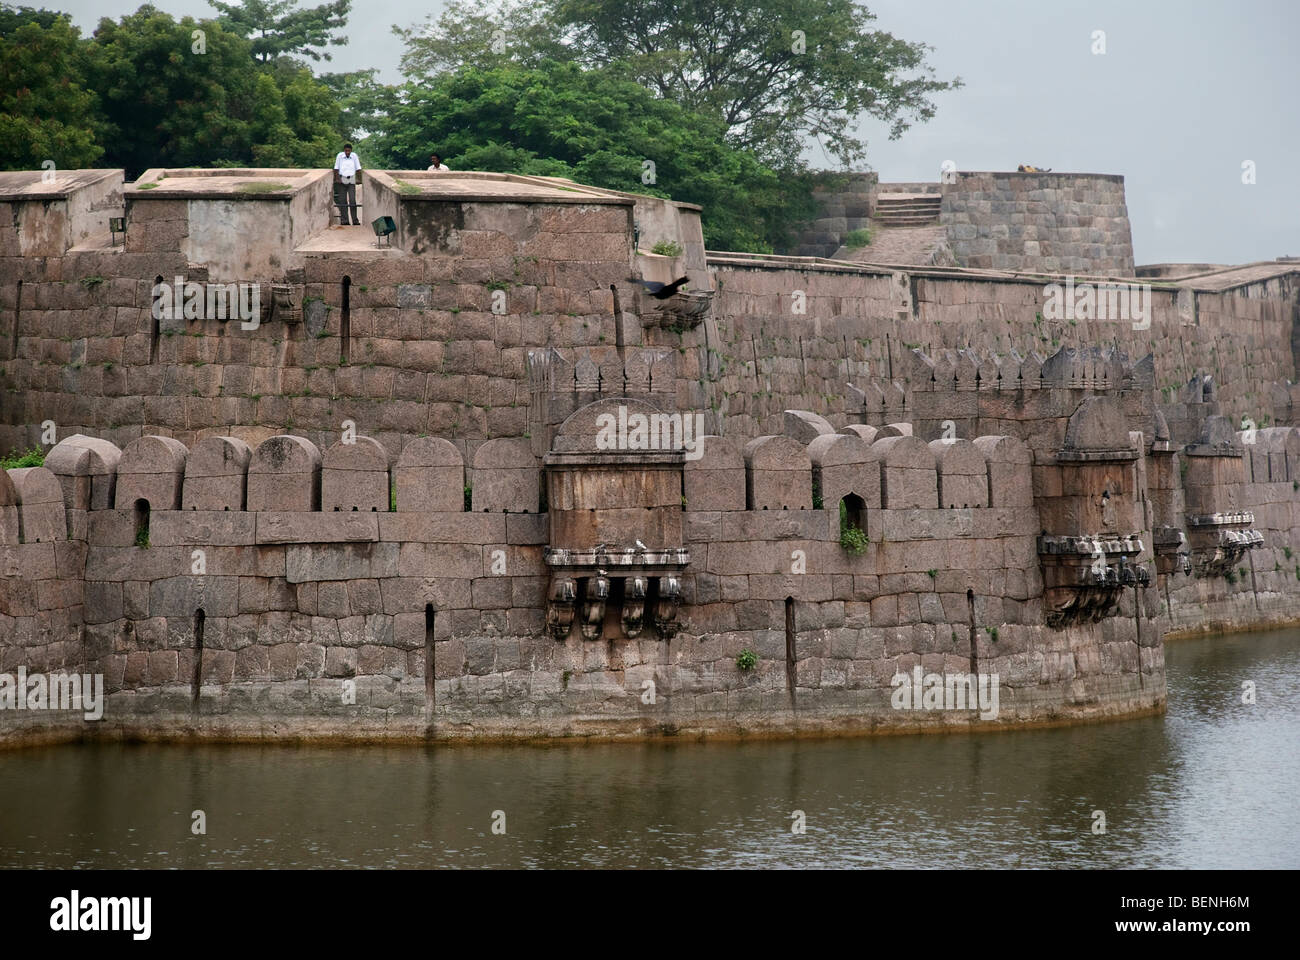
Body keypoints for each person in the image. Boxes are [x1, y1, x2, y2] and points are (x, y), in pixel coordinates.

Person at [334, 143, 362, 225]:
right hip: (342, 178)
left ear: (351, 150)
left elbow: (358, 168)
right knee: (343, 201)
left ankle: (355, 220)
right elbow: (336, 168)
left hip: (351, 179)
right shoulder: (340, 156)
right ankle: (345, 220)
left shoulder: (354, 156)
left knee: (352, 200)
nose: (347, 152)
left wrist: (359, 179)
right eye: (346, 151)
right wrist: (337, 179)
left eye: (349, 151)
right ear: (344, 150)